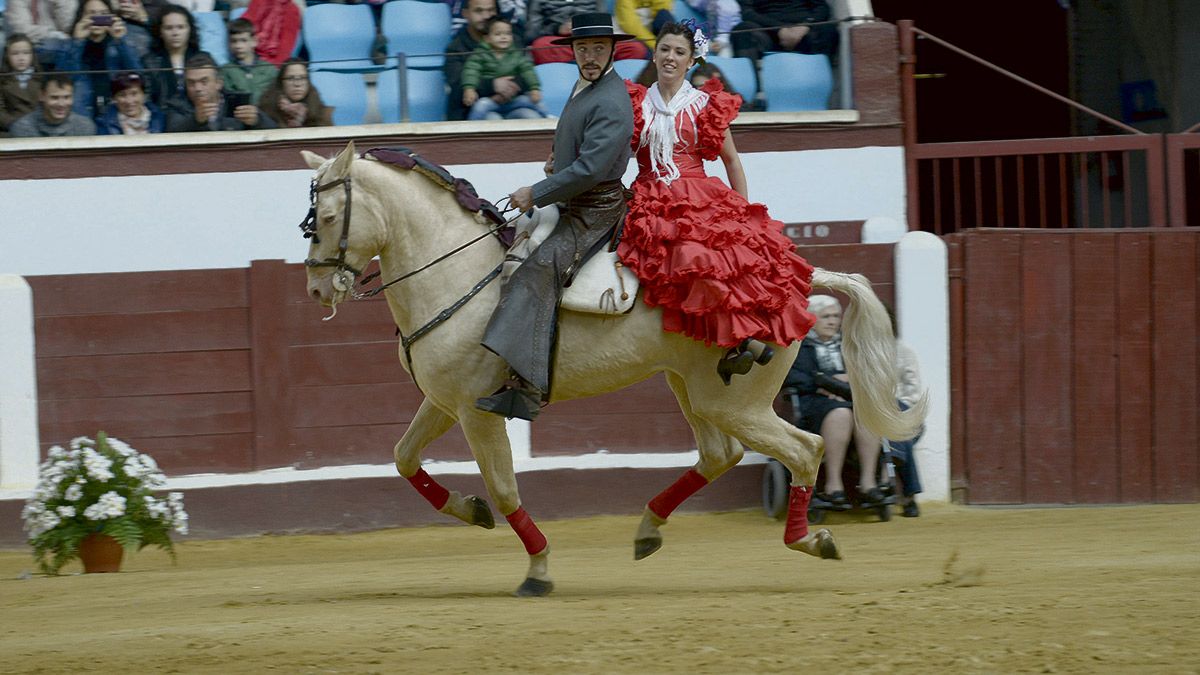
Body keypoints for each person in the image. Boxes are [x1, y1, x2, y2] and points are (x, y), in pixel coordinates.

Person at [619, 21, 816, 384]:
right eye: (665, 49)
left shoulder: (702, 105)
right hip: (646, 196)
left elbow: (731, 162)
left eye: (679, 52)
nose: (670, 57)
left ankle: (739, 341)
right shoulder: (634, 101)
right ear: (655, 52)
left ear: (692, 60)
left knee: (711, 260)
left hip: (695, 193)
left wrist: (743, 212)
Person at [475, 11, 635, 421]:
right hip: (574, 197)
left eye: (598, 48)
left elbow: (591, 170)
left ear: (613, 49)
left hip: (595, 209)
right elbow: (577, 145)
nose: (591, 55)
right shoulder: (586, 86)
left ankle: (527, 386)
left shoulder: (613, 99)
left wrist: (536, 192)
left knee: (538, 269)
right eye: (583, 48)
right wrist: (556, 160)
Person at [783, 294, 887, 510]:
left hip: (850, 399)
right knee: (841, 413)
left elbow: (867, 373)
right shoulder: (796, 345)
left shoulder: (849, 345)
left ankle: (869, 483)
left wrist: (844, 380)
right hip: (813, 404)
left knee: (865, 414)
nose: (832, 321)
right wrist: (828, 381)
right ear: (811, 318)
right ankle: (833, 485)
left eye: (836, 316)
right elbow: (793, 378)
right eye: (825, 316)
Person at [58, 0, 142, 120]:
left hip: (115, 114)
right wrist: (77, 42)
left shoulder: (120, 43)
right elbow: (63, 82)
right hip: (81, 115)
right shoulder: (69, 46)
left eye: (103, 14)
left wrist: (121, 41)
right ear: (81, 17)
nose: (98, 19)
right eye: (92, 14)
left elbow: (137, 77)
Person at [461, 15, 545, 120]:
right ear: (487, 38)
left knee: (535, 104)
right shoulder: (480, 54)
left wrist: (534, 88)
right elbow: (471, 71)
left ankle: (552, 123)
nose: (503, 37)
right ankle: (470, 132)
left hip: (513, 100)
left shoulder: (516, 54)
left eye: (507, 33)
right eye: (498, 34)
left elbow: (527, 70)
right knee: (480, 105)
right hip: (491, 100)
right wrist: (469, 89)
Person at [166, 52, 275, 130]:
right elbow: (170, 131)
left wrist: (257, 121)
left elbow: (274, 131)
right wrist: (195, 120)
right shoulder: (177, 105)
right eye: (191, 83)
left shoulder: (236, 102)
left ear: (219, 83)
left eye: (204, 81)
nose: (198, 88)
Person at [525, 0, 647, 65]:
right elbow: (532, 31)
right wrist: (557, 28)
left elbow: (604, 20)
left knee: (636, 48)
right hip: (562, 42)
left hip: (595, 39)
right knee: (540, 47)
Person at [142, 4, 204, 118]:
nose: (175, 33)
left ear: (190, 29)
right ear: (160, 32)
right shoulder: (148, 62)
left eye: (181, 27)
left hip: (199, 120)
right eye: (169, 28)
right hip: (162, 122)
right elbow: (147, 100)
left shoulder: (204, 59)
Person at [730, 0, 837, 63]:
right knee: (742, 31)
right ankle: (750, 94)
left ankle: (818, 85)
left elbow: (822, 8)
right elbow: (747, 13)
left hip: (804, 32)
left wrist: (805, 26)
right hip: (768, 33)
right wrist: (779, 29)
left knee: (827, 29)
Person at [9, 71, 98, 135]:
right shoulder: (22, 128)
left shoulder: (85, 128)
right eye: (54, 98)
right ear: (41, 96)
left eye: (67, 97)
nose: (61, 104)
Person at [256, 57, 331, 127]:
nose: (297, 84)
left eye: (302, 78)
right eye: (290, 78)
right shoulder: (267, 111)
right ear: (281, 82)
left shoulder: (321, 112)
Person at [3, 0, 77, 66]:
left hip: (59, 48)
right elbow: (21, 30)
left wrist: (60, 3)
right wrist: (53, 33)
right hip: (25, 46)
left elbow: (69, 28)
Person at [221, 17, 276, 104]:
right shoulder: (226, 70)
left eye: (243, 40)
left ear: (254, 41)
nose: (238, 46)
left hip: (265, 114)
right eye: (233, 41)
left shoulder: (269, 69)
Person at [0, 33, 43, 136]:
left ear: (32, 55)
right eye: (15, 53)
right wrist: (17, 125)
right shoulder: (2, 80)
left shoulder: (42, 78)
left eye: (26, 53)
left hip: (40, 127)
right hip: (12, 128)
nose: (21, 58)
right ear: (7, 56)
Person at [95, 70, 164, 133]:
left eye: (134, 94)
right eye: (122, 95)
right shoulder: (104, 125)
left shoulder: (160, 119)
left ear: (144, 95)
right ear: (114, 99)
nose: (129, 101)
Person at [240, 0, 301, 66]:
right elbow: (243, 28)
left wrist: (273, 68)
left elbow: (285, 48)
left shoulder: (292, 9)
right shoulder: (257, 1)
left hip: (272, 63)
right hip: (249, 55)